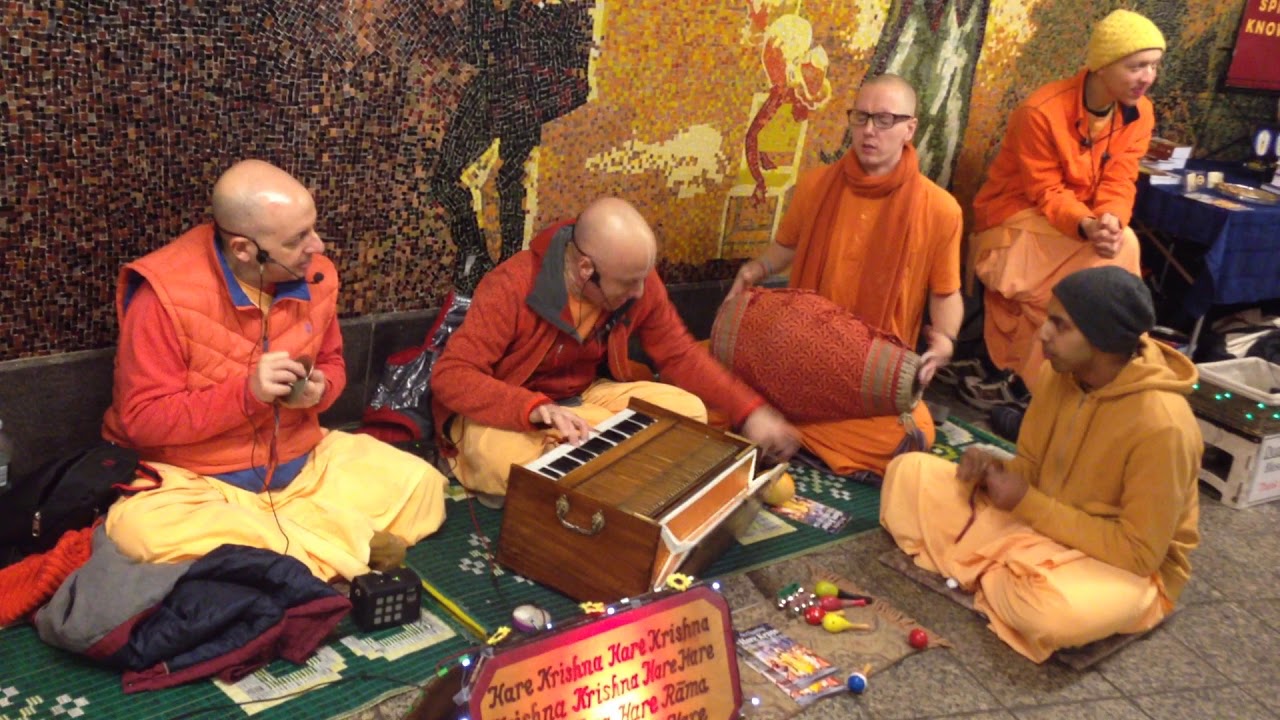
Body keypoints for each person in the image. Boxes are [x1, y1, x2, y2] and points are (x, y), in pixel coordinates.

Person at [102, 160, 448, 582]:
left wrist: (320, 391)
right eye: (298, 238)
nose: (317, 246)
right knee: (141, 533)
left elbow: (332, 363)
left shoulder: (316, 274)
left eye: (313, 228)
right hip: (194, 481)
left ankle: (293, 556)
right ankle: (331, 545)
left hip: (301, 466)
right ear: (245, 249)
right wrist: (246, 394)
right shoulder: (164, 297)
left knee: (422, 486)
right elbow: (141, 422)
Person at [881, 266, 1201, 663]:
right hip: (1038, 529)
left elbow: (1138, 554)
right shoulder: (1057, 373)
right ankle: (1001, 568)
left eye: (1059, 325)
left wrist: (1027, 503)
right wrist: (992, 471)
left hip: (1118, 567)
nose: (1043, 333)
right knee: (908, 472)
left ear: (1103, 341)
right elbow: (1032, 468)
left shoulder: (1163, 426)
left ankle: (988, 561)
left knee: (1049, 614)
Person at [430, 197, 799, 501]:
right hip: (509, 410)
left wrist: (750, 412)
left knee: (687, 410)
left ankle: (576, 463)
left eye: (643, 280)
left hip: (584, 400)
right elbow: (451, 376)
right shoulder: (511, 285)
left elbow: (679, 355)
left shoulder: (636, 278)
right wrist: (535, 409)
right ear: (586, 269)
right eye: (628, 284)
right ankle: (584, 463)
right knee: (501, 459)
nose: (641, 293)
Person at [726, 73, 963, 482]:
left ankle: (775, 427)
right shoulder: (817, 185)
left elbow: (947, 292)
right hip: (799, 353)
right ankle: (784, 426)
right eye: (861, 117)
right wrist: (754, 269)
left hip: (869, 376)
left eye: (885, 120)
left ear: (910, 128)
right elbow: (786, 247)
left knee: (910, 433)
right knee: (700, 378)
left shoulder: (940, 209)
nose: (870, 130)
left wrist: (944, 340)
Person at [968, 9, 1166, 419]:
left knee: (1119, 244)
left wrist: (1110, 218)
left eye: (1153, 66)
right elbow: (1046, 192)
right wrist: (1087, 225)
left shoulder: (1140, 113)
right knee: (1111, 261)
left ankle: (1055, 386)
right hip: (1013, 225)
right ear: (1102, 65)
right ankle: (1096, 382)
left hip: (1077, 232)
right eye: (1136, 66)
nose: (1147, 77)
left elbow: (1120, 179)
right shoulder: (1040, 111)